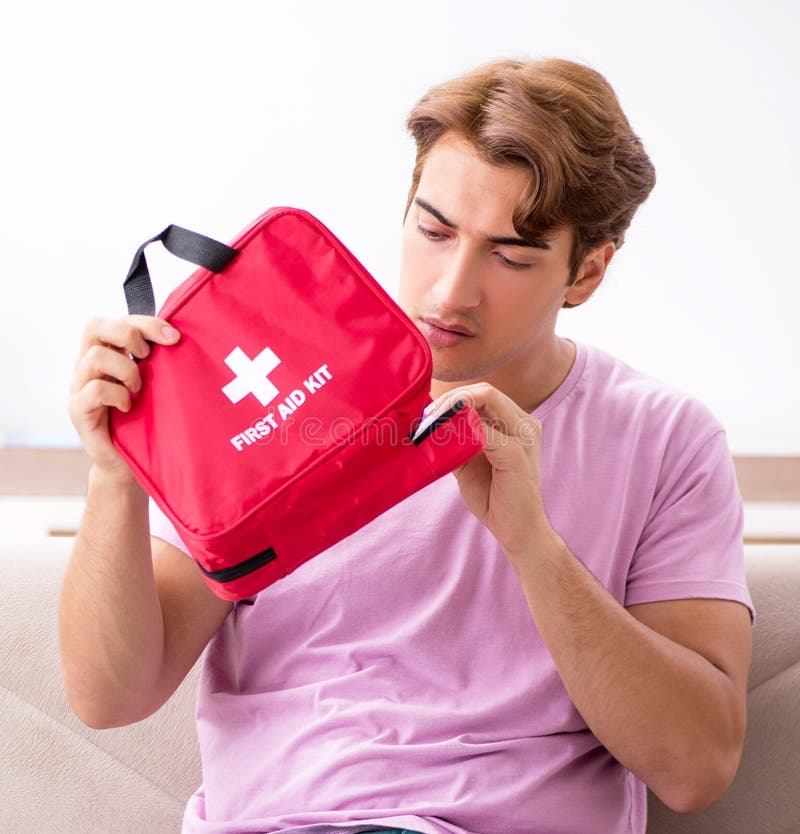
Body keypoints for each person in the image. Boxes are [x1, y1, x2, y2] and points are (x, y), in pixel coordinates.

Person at [60, 58, 754, 834]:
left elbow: (696, 768)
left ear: (586, 272)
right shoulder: (280, 398)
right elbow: (111, 697)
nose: (450, 291)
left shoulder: (666, 440)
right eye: (433, 230)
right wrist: (115, 477)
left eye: (511, 255)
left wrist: (534, 546)